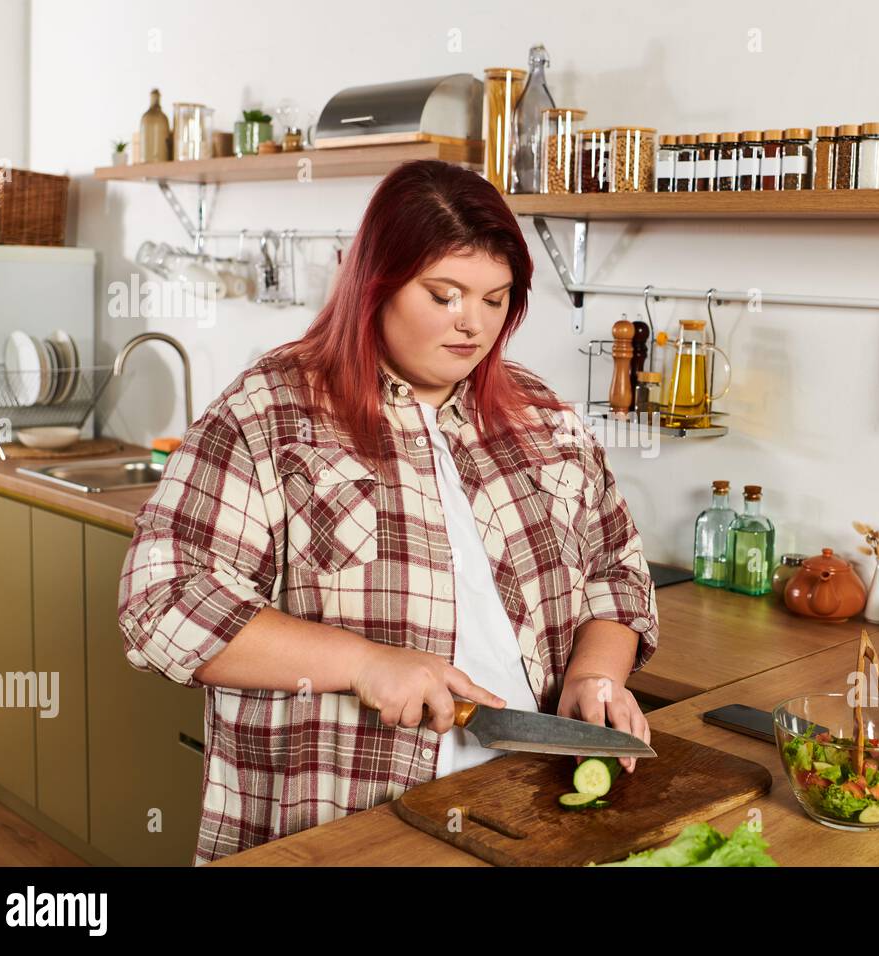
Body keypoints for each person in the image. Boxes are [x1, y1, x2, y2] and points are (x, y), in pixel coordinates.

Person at [116, 159, 659, 865]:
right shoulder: (269, 416)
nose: (474, 325)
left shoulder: (543, 418)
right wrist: (363, 663)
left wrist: (596, 675)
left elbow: (615, 571)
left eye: (496, 301)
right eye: (444, 295)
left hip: (527, 807)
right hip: (345, 831)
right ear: (378, 284)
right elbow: (161, 604)